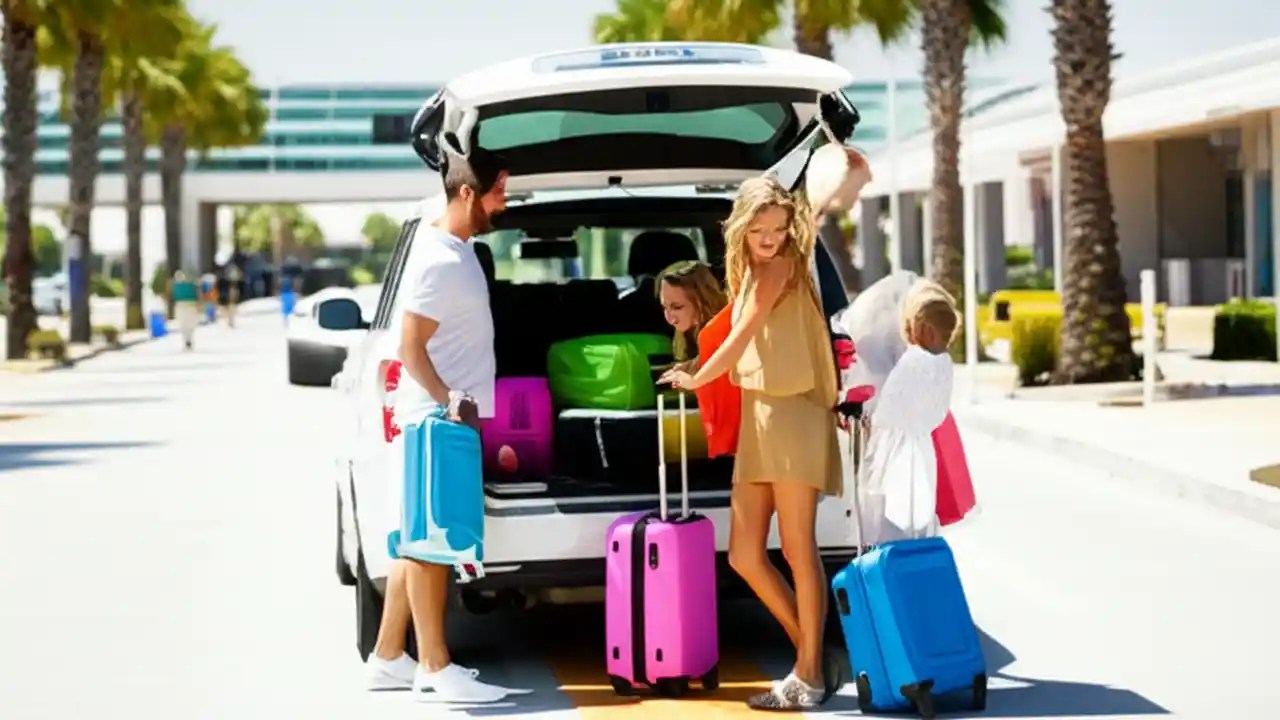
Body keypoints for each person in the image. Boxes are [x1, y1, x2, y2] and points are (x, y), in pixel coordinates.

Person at [658, 176, 843, 711]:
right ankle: (813, 656)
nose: (770, 237)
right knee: (743, 554)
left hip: (793, 413)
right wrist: (693, 365)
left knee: (796, 549)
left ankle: (807, 674)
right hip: (761, 414)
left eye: (779, 228)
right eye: (760, 229)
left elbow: (743, 337)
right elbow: (733, 335)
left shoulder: (782, 265)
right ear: (741, 227)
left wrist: (697, 380)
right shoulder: (745, 273)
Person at [363, 134, 527, 704]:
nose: (504, 204)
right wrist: (450, 398)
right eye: (498, 193)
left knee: (415, 542)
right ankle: (436, 665)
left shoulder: (454, 251)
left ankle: (388, 657)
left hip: (442, 419)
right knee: (435, 545)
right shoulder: (438, 257)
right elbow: (411, 347)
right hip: (437, 421)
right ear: (466, 192)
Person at [858, 279, 959, 544]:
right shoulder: (945, 363)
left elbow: (890, 404)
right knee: (918, 514)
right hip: (922, 446)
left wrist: (869, 419)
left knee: (889, 514)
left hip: (896, 447)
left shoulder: (913, 360)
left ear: (923, 329)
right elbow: (938, 412)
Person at [656, 259, 728, 371]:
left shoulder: (729, 329)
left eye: (677, 307)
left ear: (703, 301)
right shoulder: (684, 332)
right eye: (665, 307)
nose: (669, 318)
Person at [171, 270, 200, 350]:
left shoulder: (177, 287)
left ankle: (187, 340)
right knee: (188, 325)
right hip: (189, 307)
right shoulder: (191, 286)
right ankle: (188, 339)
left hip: (183, 307)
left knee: (185, 325)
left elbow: (174, 297)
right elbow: (196, 296)